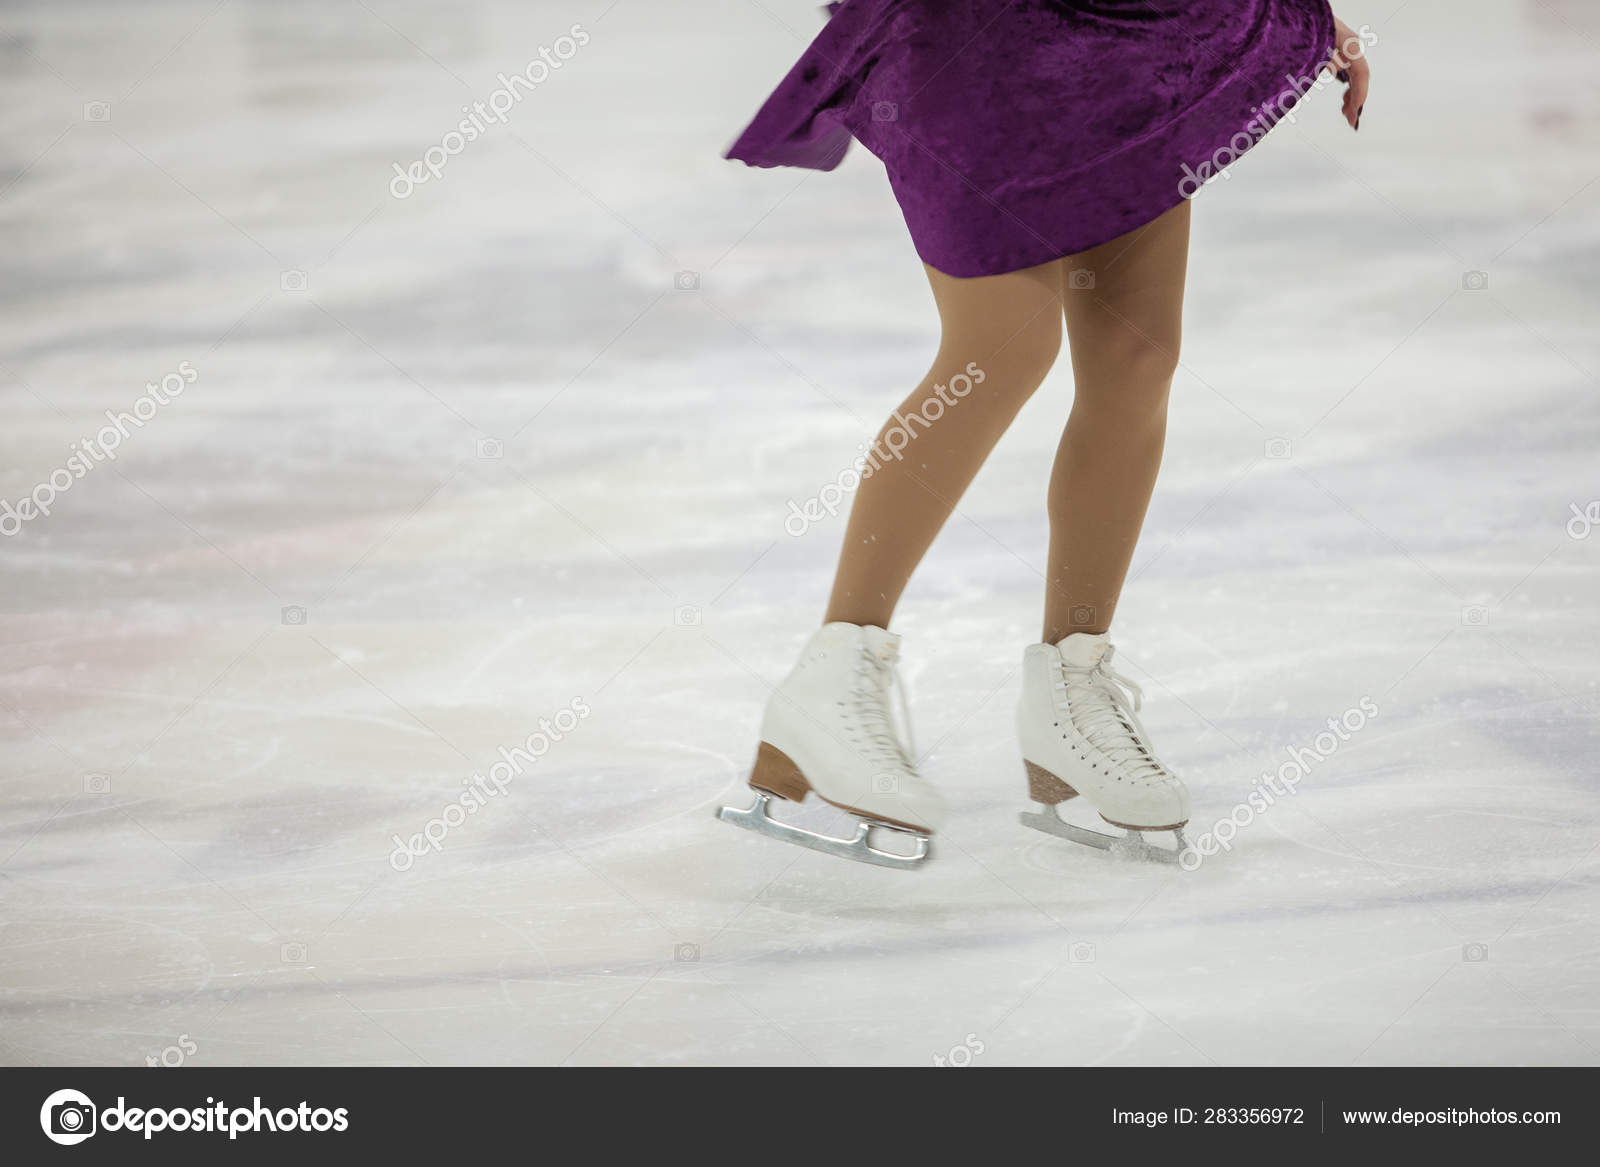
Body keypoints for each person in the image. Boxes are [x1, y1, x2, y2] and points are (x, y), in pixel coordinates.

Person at [717, 1, 1372, 868]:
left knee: (1138, 357)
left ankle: (1072, 686)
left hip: (1140, 33)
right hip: (975, 30)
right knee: (1000, 348)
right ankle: (832, 671)